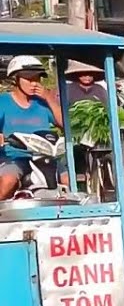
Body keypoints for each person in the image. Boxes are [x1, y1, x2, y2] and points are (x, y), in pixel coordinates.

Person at [0, 56, 63, 199]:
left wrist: (49, 98)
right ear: (15, 79)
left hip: (45, 158)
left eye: (37, 79)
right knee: (8, 181)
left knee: (67, 180)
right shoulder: (3, 101)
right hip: (14, 157)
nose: (34, 83)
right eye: (29, 79)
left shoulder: (42, 103)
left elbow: (64, 124)